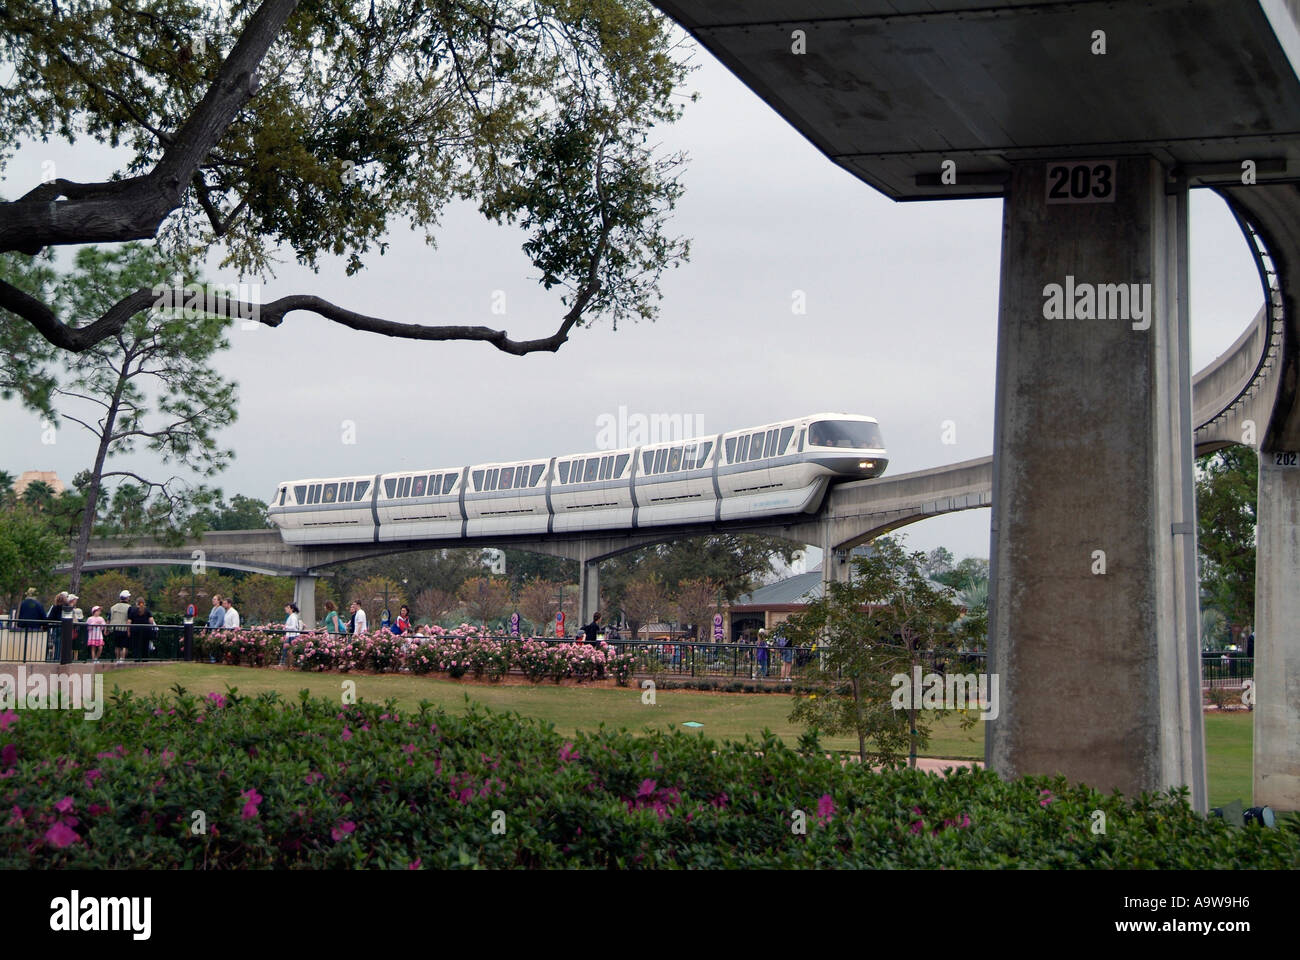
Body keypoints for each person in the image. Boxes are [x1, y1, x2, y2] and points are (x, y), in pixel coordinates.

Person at [127, 597, 156, 661]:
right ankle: (145, 659)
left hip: (135, 630)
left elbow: (129, 622)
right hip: (146, 630)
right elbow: (151, 621)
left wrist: (128, 631)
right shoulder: (147, 610)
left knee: (136, 645)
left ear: (136, 603)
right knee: (145, 645)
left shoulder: (133, 610)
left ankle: (136, 659)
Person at [45, 592, 70, 660]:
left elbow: (51, 617)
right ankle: (64, 658)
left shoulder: (55, 607)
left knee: (57, 643)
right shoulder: (68, 607)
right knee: (64, 643)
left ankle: (56, 658)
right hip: (66, 627)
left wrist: (45, 622)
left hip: (57, 627)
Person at [110, 591, 132, 664]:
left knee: (117, 646)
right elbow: (129, 620)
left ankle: (117, 659)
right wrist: (129, 631)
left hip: (115, 628)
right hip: (124, 628)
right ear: (127, 598)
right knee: (124, 646)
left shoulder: (113, 607)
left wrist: (107, 629)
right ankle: (122, 659)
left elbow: (109, 618)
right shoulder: (129, 607)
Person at [280, 602, 302, 667]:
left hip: (293, 636)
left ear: (291, 609)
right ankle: (285, 663)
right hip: (290, 635)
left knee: (291, 651)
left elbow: (293, 627)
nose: (286, 609)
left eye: (288, 608)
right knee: (286, 650)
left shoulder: (293, 617)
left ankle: (285, 663)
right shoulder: (291, 616)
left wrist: (285, 627)